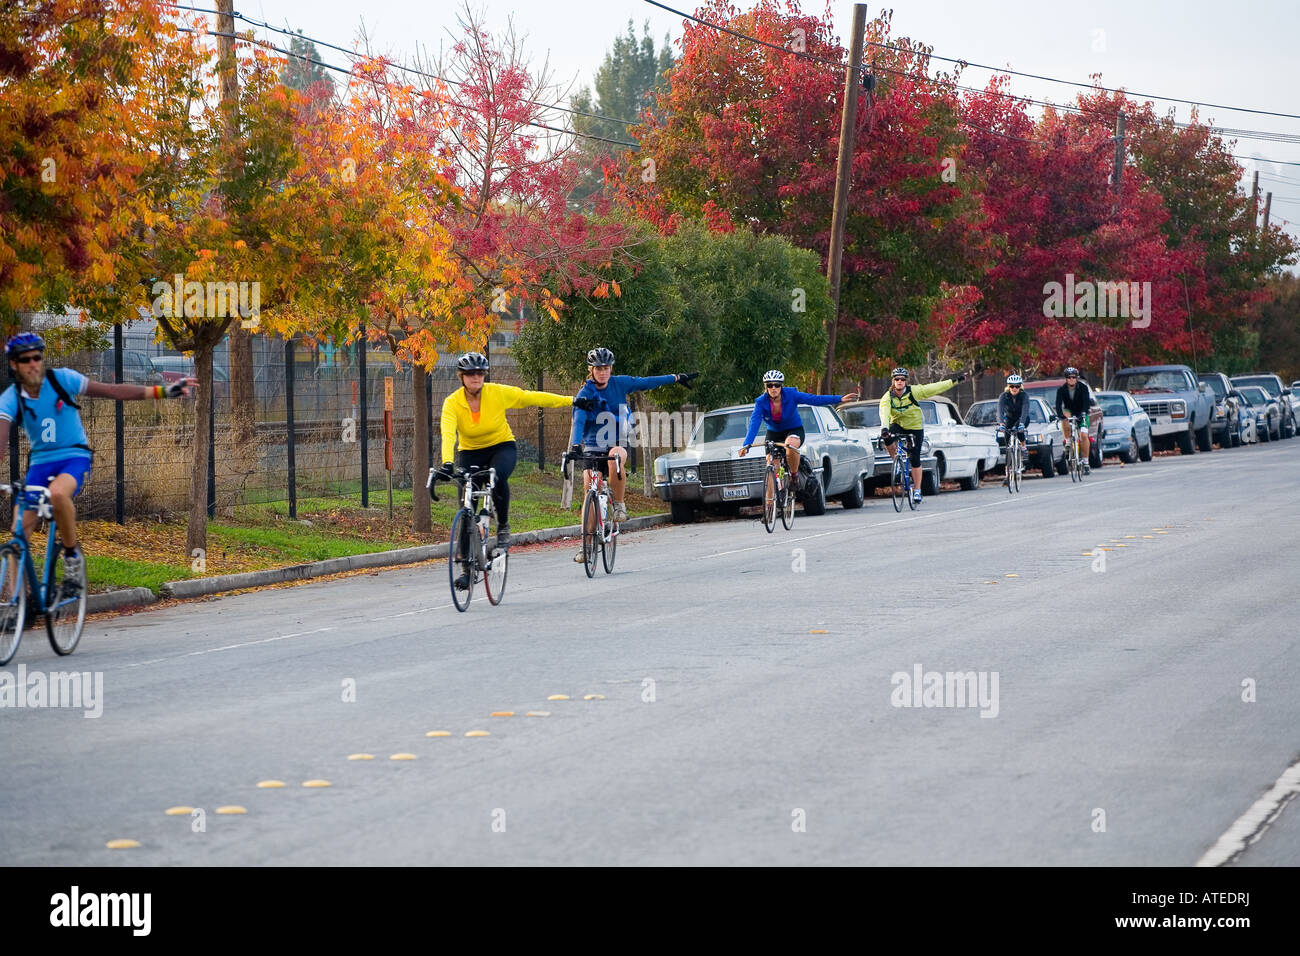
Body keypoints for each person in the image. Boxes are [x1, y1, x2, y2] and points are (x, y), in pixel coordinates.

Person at [0, 332, 195, 596]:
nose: (33, 363)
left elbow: (112, 390)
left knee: (58, 494)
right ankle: (17, 604)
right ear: (14, 365)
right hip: (40, 464)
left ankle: (71, 557)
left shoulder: (62, 380)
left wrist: (162, 391)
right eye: (26, 360)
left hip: (73, 456)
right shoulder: (11, 398)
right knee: (17, 534)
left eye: (37, 357)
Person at [435, 352, 582, 571]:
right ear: (461, 376)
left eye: (480, 373)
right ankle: (466, 566)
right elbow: (448, 434)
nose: (476, 378)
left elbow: (530, 397)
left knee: (497, 475)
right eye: (470, 374)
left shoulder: (496, 393)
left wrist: (571, 400)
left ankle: (502, 526)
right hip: (470, 453)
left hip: (501, 447)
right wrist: (448, 463)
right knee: (466, 507)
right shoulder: (452, 403)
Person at [568, 347, 698, 562]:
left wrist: (675, 378)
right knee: (589, 488)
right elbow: (579, 420)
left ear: (611, 368)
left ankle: (618, 504)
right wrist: (574, 446)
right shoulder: (585, 394)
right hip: (592, 443)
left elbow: (646, 382)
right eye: (598, 368)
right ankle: (587, 544)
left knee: (615, 459)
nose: (603, 372)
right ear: (591, 370)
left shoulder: (621, 383)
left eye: (606, 368)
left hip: (617, 439)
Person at [738, 370, 859, 490]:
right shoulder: (760, 402)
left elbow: (814, 399)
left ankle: (794, 476)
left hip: (793, 429)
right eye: (770, 385)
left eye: (777, 385)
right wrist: (746, 444)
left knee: (789, 445)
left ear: (781, 386)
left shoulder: (791, 394)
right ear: (766, 387)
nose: (773, 388)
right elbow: (754, 423)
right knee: (771, 463)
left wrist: (839, 398)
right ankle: (774, 494)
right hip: (774, 432)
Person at [878, 366, 967, 504]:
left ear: (906, 381)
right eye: (897, 379)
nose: (900, 381)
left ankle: (917, 490)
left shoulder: (914, 391)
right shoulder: (887, 397)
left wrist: (954, 381)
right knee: (886, 436)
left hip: (915, 426)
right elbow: (884, 413)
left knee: (915, 458)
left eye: (902, 379)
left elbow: (935, 387)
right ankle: (896, 461)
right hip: (898, 424)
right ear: (893, 381)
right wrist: (884, 428)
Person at [1055, 367, 1093, 474]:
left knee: (1084, 436)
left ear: (1077, 378)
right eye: (1069, 377)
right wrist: (1060, 415)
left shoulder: (1083, 388)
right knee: (1065, 415)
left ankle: (1085, 462)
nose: (1071, 379)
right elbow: (1058, 404)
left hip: (1082, 412)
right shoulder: (1061, 389)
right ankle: (1067, 441)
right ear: (1066, 379)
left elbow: (1086, 402)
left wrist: (1083, 413)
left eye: (1073, 377)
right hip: (1069, 411)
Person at [998, 373, 1030, 485]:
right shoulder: (1004, 396)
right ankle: (1007, 476)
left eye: (1017, 386)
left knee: (1019, 429)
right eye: (1012, 386)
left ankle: (1023, 447)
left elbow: (1025, 410)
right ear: (1008, 386)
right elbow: (1000, 410)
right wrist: (1001, 423)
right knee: (1008, 447)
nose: (1014, 388)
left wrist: (1021, 423)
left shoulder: (1024, 396)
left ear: (1020, 387)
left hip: (1022, 418)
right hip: (1009, 419)